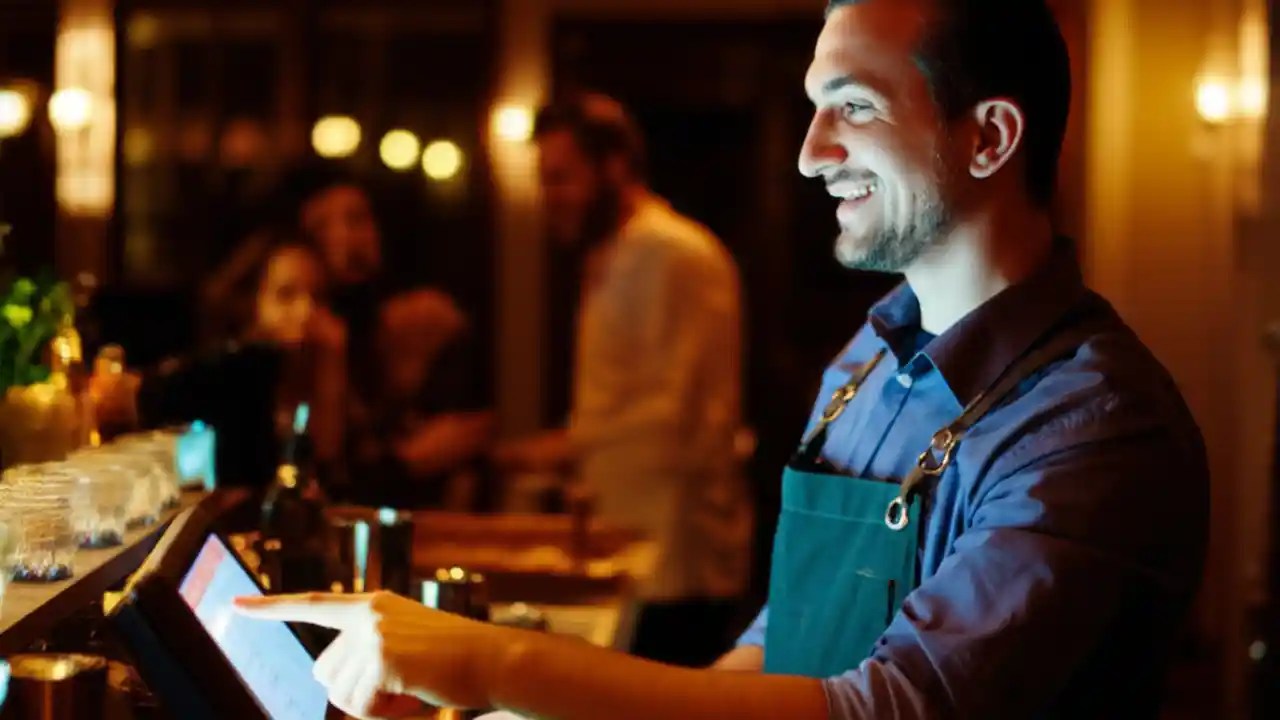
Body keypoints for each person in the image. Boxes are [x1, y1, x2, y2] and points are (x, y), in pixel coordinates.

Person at [236, 0, 1209, 717]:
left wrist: (497, 664)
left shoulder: (1092, 427)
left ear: (989, 136)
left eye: (851, 107)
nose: (808, 152)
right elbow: (783, 649)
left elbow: (891, 709)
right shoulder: (862, 366)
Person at [493, 92, 752, 666]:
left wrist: (562, 448)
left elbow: (683, 422)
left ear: (613, 167)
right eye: (544, 179)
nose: (548, 197)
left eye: (560, 178)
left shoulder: (679, 253)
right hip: (626, 552)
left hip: (677, 563)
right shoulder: (613, 253)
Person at [209, 162, 495, 507]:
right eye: (324, 225)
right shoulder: (296, 347)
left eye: (358, 219)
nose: (349, 237)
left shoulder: (396, 322)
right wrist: (407, 461)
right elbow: (326, 476)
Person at [99, 234, 347, 488]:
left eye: (318, 296)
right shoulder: (232, 369)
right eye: (286, 295)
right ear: (252, 303)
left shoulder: (329, 365)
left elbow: (327, 466)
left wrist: (332, 364)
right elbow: (126, 396)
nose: (306, 311)